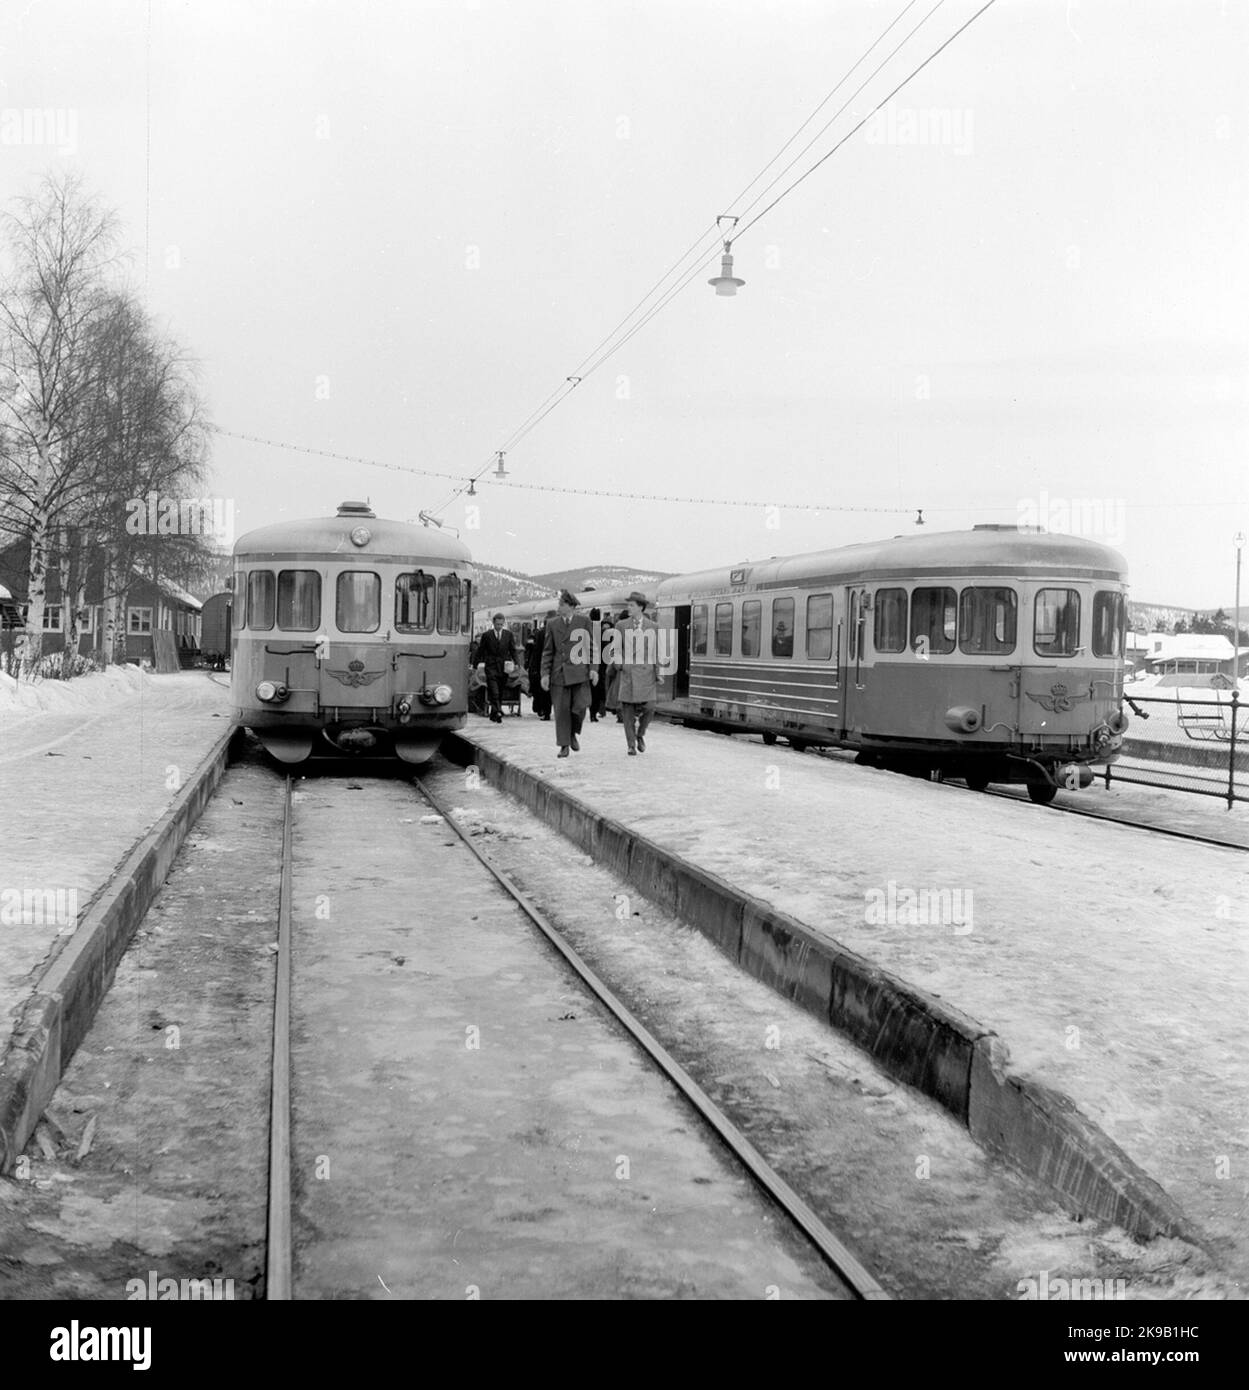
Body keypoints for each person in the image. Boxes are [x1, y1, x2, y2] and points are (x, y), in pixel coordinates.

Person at [540, 590, 597, 757]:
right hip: (559, 674)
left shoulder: (584, 622)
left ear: (571, 606)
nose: (559, 607)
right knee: (561, 710)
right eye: (559, 604)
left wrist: (593, 669)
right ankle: (564, 745)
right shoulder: (552, 624)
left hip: (580, 673)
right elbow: (548, 651)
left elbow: (592, 648)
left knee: (580, 707)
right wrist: (545, 673)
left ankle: (572, 732)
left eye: (562, 604)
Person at [615, 591, 663, 755]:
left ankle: (640, 734)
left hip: (647, 674)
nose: (628, 608)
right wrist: (620, 665)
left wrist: (659, 672)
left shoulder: (653, 627)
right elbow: (616, 649)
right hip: (628, 674)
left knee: (650, 708)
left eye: (631, 605)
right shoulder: (621, 625)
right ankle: (631, 745)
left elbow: (657, 651)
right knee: (627, 711)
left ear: (640, 607)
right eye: (628, 605)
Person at [474, 612, 519, 724]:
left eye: (501, 624)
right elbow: (481, 650)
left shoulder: (508, 635)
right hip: (491, 666)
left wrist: (516, 662)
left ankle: (494, 714)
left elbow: (512, 649)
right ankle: (498, 711)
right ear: (493, 623)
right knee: (494, 690)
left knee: (500, 689)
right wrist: (475, 663)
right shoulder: (487, 635)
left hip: (503, 667)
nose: (499, 627)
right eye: (497, 624)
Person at [526, 619, 553, 719]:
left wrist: (532, 665)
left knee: (542, 688)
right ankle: (547, 711)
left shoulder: (540, 634)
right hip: (553, 665)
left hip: (541, 664)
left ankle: (544, 710)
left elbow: (535, 651)